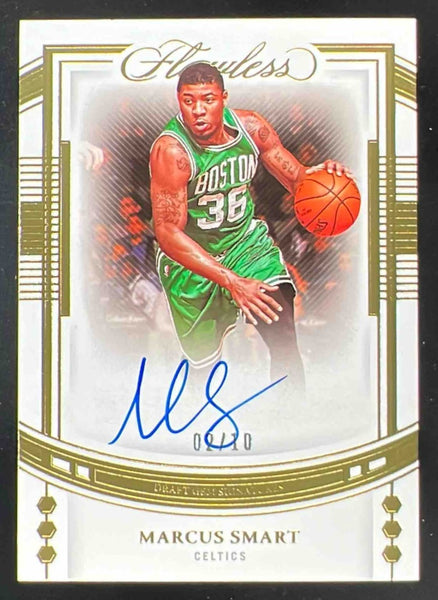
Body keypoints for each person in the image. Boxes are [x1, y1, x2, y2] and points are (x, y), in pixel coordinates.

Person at [149, 62, 350, 391]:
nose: (198, 110)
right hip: (193, 262)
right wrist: (232, 282)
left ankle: (292, 415)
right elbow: (168, 233)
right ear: (179, 101)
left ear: (223, 98)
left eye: (208, 99)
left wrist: (321, 179)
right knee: (203, 367)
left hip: (246, 247)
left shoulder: (252, 128)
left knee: (283, 334)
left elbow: (297, 179)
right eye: (188, 100)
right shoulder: (171, 151)